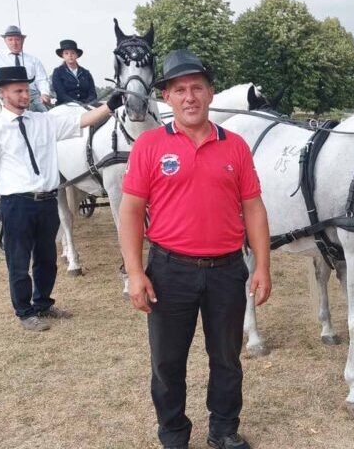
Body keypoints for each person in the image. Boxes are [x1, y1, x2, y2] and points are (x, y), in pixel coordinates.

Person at [118, 49, 271, 449]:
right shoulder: (150, 145)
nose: (190, 97)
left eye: (197, 88)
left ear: (210, 93)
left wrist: (263, 266)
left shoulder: (235, 146)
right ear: (166, 97)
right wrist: (136, 273)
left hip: (227, 270)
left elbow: (253, 207)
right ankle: (173, 433)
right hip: (170, 272)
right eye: (180, 89)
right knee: (168, 363)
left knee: (226, 359)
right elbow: (131, 212)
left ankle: (223, 429)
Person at [0, 65, 123, 331]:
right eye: (18, 91)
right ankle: (24, 311)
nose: (25, 95)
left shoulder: (44, 121)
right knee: (19, 261)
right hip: (16, 203)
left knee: (46, 258)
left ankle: (43, 303)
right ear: (3, 93)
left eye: (27, 90)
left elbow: (83, 121)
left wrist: (110, 105)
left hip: (46, 201)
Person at [51, 39, 98, 105]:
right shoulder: (58, 72)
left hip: (87, 105)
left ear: (77, 55)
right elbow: (61, 94)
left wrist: (87, 103)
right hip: (66, 105)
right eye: (66, 53)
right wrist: (75, 103)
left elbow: (92, 93)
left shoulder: (86, 73)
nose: (70, 55)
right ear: (63, 56)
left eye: (72, 53)